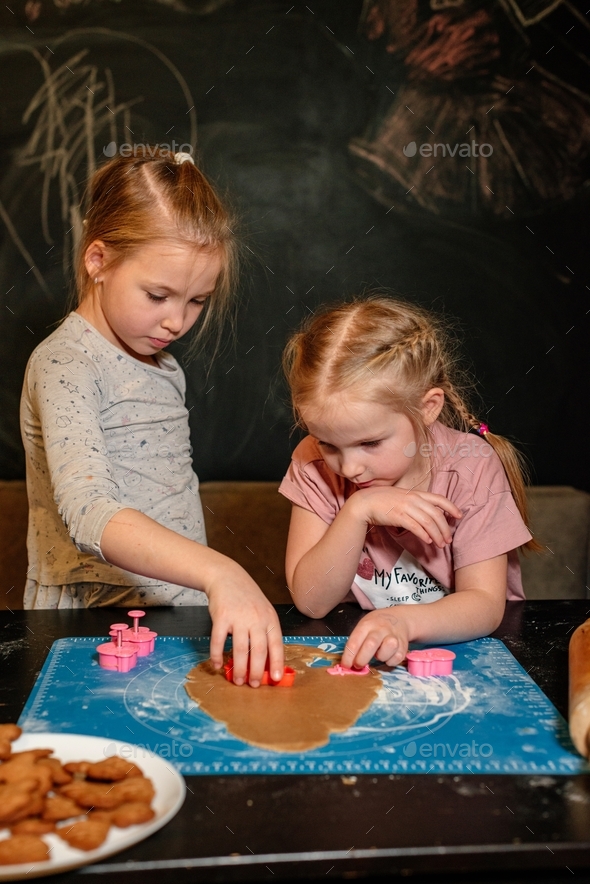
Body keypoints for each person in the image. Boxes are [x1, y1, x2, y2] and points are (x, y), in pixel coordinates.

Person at [20, 148, 283, 686]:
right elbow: (90, 510)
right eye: (158, 294)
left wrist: (202, 588)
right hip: (90, 626)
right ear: (98, 260)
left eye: (196, 301)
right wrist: (221, 571)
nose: (176, 321)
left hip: (175, 614)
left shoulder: (162, 364)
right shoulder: (66, 362)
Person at [279, 295, 539, 671]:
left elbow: (483, 604)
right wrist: (357, 511)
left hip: (473, 653)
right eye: (329, 443)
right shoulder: (313, 463)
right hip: (368, 650)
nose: (349, 467)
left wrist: (401, 621)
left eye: (370, 443)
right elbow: (311, 601)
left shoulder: (473, 467)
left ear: (427, 408)